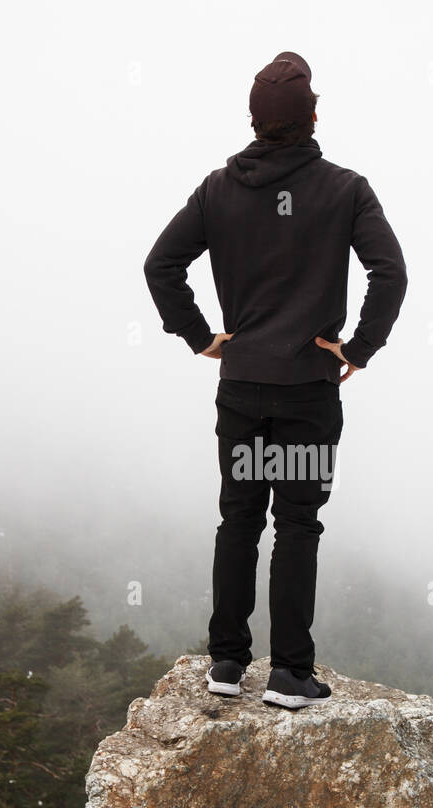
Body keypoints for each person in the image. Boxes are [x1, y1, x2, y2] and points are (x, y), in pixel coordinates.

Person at [144, 52, 407, 707]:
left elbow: (161, 265)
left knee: (238, 520)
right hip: (308, 391)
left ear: (254, 120)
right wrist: (360, 347)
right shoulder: (346, 190)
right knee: (297, 525)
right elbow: (390, 273)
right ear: (314, 116)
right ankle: (290, 673)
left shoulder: (217, 189)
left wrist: (203, 338)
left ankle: (227, 664)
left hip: (241, 387)